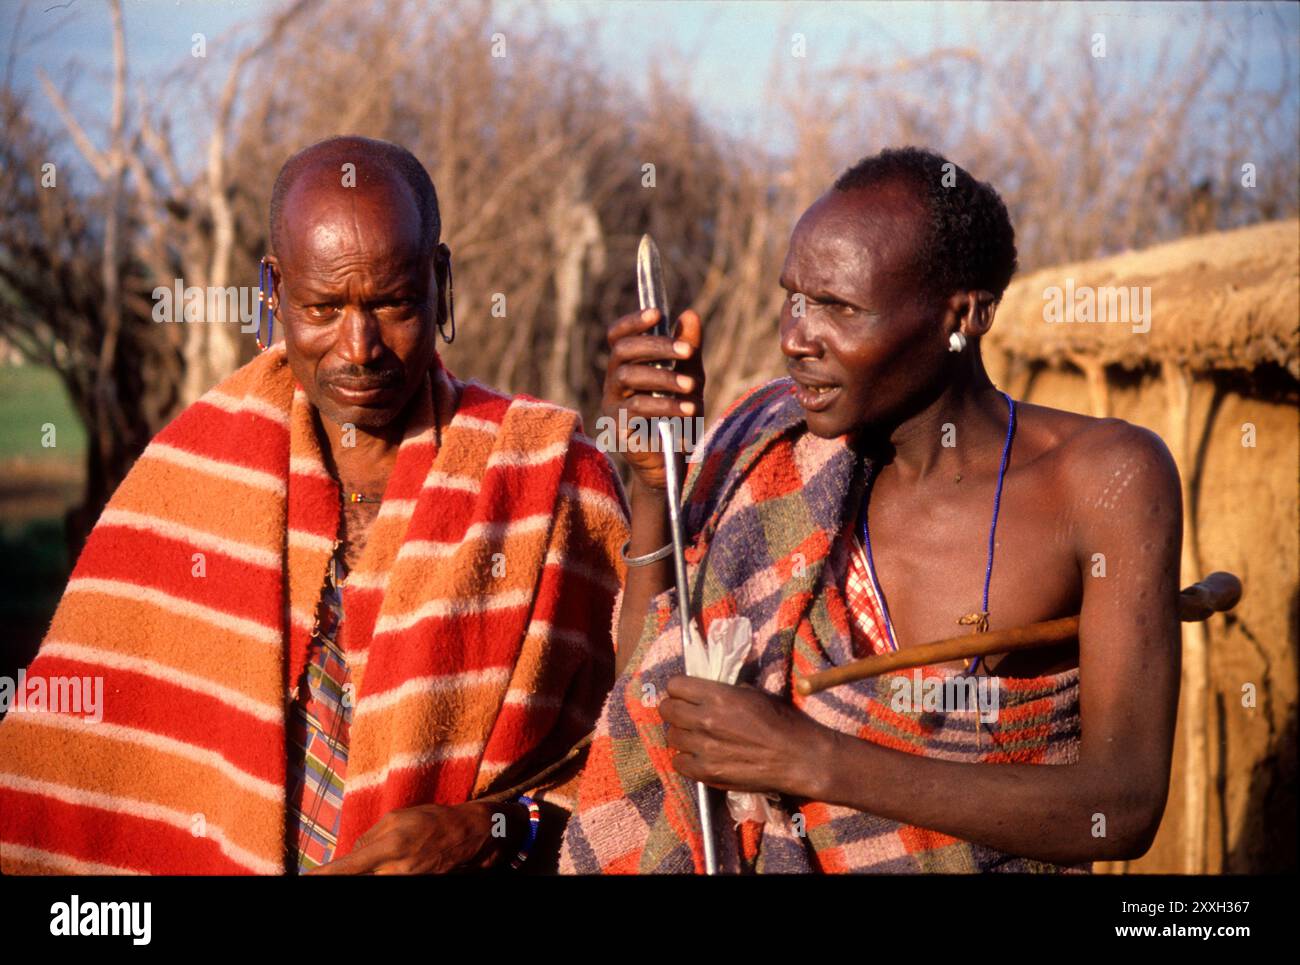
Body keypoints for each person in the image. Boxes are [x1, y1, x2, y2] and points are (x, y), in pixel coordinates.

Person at [0, 135, 628, 875]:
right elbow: (66, 779)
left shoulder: (543, 478)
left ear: (441, 282)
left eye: (394, 302)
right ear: (273, 294)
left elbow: (639, 767)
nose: (359, 347)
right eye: (324, 307)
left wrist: (493, 828)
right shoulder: (192, 479)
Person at [561, 147, 1182, 873]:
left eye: (839, 308)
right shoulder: (768, 451)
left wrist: (812, 759)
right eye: (794, 298)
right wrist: (650, 485)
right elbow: (651, 678)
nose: (796, 337)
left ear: (965, 315)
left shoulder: (1102, 478)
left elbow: (1124, 804)